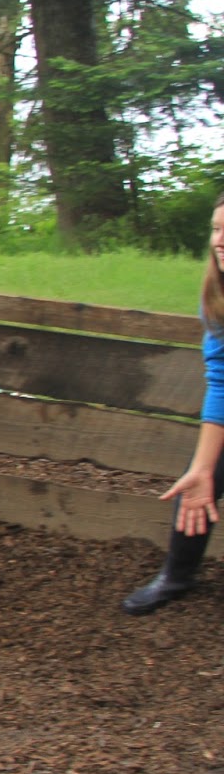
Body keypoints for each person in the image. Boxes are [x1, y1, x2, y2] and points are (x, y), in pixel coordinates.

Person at [120, 193, 224, 614]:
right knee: (200, 477)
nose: (220, 241)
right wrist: (203, 468)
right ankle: (176, 576)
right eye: (216, 229)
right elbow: (221, 379)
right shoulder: (217, 296)